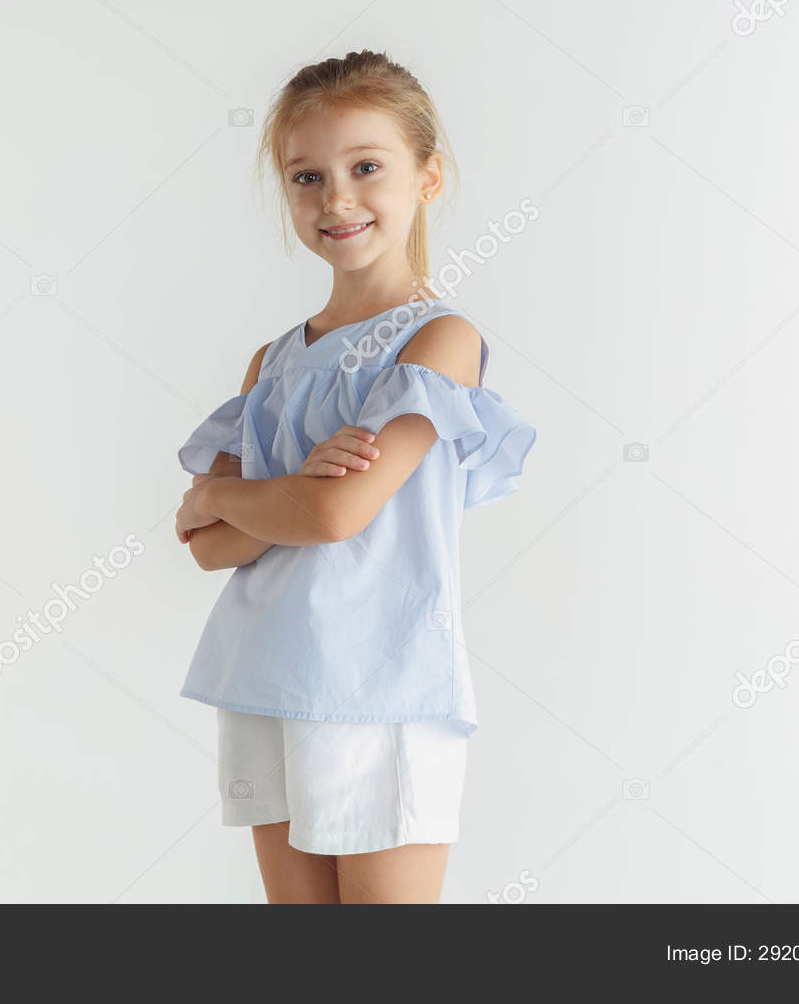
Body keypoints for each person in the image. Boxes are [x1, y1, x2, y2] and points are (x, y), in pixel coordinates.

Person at [173, 49, 536, 903]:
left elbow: (336, 514)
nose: (336, 198)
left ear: (427, 177)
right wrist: (270, 497)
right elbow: (211, 548)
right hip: (267, 672)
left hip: (381, 681)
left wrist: (230, 493)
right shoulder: (272, 360)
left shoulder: (437, 341)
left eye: (365, 167)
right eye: (307, 176)